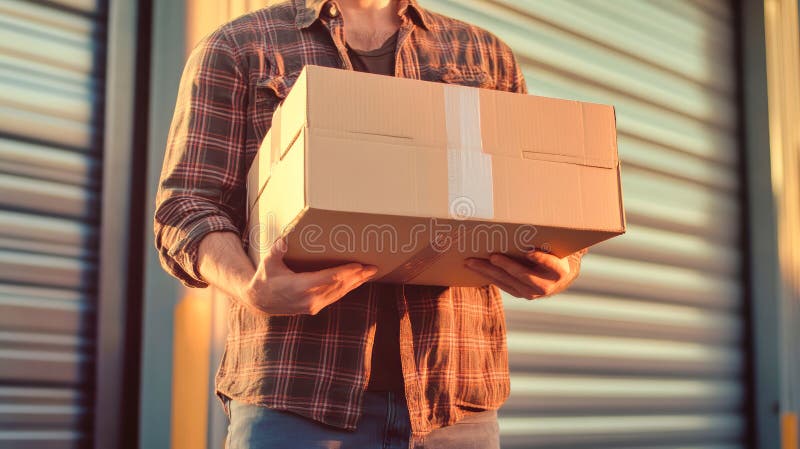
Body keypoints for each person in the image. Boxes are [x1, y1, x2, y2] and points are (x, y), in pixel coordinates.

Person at [154, 0, 586, 448]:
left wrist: (562, 263)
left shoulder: (483, 55)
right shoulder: (241, 45)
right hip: (296, 403)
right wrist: (250, 287)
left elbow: (533, 193)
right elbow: (185, 207)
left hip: (455, 409)